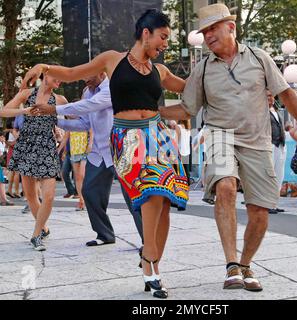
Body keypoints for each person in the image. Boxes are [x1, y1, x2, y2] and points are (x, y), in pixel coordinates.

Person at [24, 10, 188, 298]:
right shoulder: (113, 60)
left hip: (157, 136)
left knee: (163, 205)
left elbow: (191, 89)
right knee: (152, 194)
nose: (165, 44)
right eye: (163, 37)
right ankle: (151, 264)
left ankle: (151, 260)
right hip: (126, 138)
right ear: (146, 33)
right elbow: (73, 73)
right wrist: (44, 66)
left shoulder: (159, 71)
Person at [159, 3, 297, 292]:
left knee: (260, 210)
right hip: (220, 135)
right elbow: (186, 107)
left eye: (212, 29)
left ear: (230, 28)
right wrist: (153, 112)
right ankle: (231, 265)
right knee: (226, 187)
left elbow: (286, 92)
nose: (207, 37)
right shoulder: (203, 67)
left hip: (257, 140)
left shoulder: (259, 57)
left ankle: (245, 264)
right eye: (204, 32)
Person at [33, 73, 144, 248]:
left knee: (133, 197)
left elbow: (88, 106)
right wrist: (56, 121)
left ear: (101, 73)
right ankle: (105, 234)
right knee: (90, 192)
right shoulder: (87, 91)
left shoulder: (111, 88)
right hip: (99, 153)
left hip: (121, 149)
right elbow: (84, 123)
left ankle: (149, 242)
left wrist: (53, 109)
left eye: (88, 76)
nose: (84, 81)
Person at [4, 74, 66, 251]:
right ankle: (44, 229)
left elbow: (67, 121)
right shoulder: (27, 94)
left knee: (49, 196)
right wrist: (24, 111)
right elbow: (4, 111)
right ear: (46, 75)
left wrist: (60, 131)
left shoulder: (59, 100)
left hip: (47, 146)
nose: (59, 80)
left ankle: (36, 235)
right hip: (26, 145)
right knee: (30, 195)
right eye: (57, 76)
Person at [267, 91, 286, 214]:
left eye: (272, 96)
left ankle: (274, 203)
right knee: (270, 175)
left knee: (279, 175)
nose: (271, 98)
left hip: (280, 146)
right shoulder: (261, 112)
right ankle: (268, 204)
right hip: (269, 145)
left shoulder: (278, 111)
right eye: (268, 96)